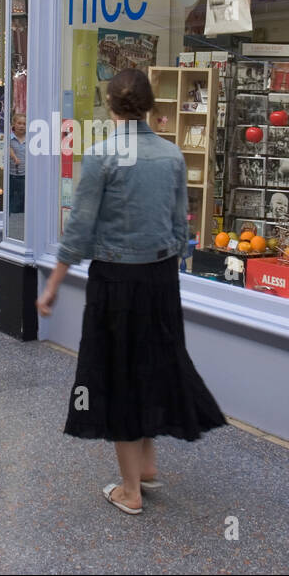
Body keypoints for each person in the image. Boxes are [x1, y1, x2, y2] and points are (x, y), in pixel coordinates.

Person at [36, 68, 225, 517]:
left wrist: (53, 285)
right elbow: (182, 225)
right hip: (161, 279)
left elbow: (79, 230)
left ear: (109, 105)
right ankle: (148, 465)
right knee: (154, 364)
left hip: (117, 281)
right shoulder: (173, 156)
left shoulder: (101, 157)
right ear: (150, 105)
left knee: (117, 374)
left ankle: (130, 489)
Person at [7, 112, 27, 214]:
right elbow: (6, 148)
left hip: (25, 177)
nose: (22, 126)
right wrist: (14, 156)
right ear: (14, 124)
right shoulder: (8, 139)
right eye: (19, 123)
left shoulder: (30, 139)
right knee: (11, 203)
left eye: (24, 124)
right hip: (10, 176)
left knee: (23, 202)